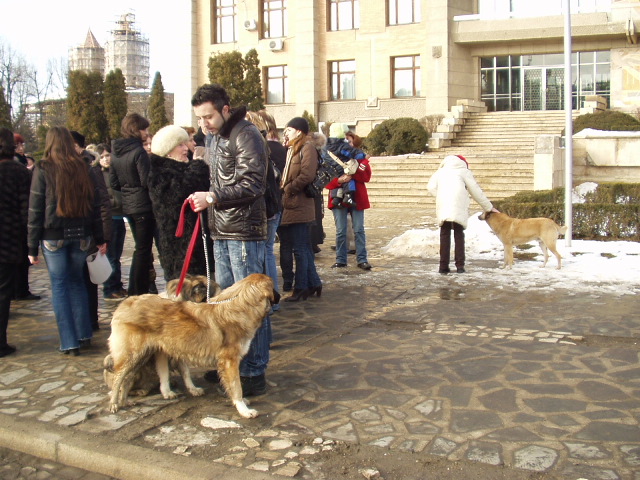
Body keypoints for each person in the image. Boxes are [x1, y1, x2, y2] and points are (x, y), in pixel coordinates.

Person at [189, 83, 271, 396]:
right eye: (199, 118)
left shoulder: (246, 134)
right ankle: (230, 363)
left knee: (250, 306)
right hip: (221, 229)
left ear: (225, 109)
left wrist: (213, 196)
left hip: (243, 233)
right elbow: (218, 178)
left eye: (208, 116)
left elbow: (253, 184)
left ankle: (254, 370)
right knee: (224, 305)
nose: (203, 123)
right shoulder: (216, 135)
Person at [27, 127, 106, 356]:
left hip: (54, 236)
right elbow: (95, 206)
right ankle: (83, 335)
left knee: (60, 286)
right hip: (81, 234)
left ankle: (69, 341)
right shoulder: (84, 167)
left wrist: (31, 246)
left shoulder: (43, 168)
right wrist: (99, 238)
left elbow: (36, 208)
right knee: (76, 283)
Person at [148, 124, 212, 281]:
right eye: (180, 145)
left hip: (195, 240)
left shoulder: (182, 168)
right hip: (178, 243)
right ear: (168, 149)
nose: (186, 148)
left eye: (186, 143)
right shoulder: (160, 172)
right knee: (186, 287)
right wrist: (198, 168)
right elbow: (177, 195)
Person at [110, 113, 156, 296]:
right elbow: (147, 180)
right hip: (143, 205)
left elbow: (114, 183)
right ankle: (136, 290)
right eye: (144, 129)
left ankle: (137, 289)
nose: (146, 133)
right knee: (143, 250)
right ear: (136, 130)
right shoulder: (138, 152)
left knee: (141, 248)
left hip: (128, 205)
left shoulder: (117, 153)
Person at [71, 131, 112, 331]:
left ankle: (91, 321)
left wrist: (102, 236)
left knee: (89, 279)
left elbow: (102, 203)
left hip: (88, 232)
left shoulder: (91, 169)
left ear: (78, 147)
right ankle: (83, 322)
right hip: (73, 232)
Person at [427, 154, 496, 274]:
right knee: (459, 234)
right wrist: (489, 207)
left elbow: (430, 187)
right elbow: (475, 191)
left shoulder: (440, 172)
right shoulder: (463, 171)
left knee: (444, 234)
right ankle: (460, 266)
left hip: (444, 205)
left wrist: (441, 196)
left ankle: (443, 267)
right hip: (458, 205)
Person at [278, 116, 322, 302]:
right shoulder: (291, 149)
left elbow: (307, 175)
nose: (285, 132)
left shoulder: (307, 147)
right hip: (290, 205)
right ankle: (314, 283)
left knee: (301, 249)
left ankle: (301, 287)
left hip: (300, 205)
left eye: (288, 129)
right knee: (301, 248)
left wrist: (288, 188)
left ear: (299, 131)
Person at [245, 110, 283, 307]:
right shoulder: (265, 146)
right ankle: (273, 299)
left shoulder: (256, 147)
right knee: (267, 252)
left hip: (266, 207)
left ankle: (271, 299)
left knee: (264, 253)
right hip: (272, 205)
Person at [0, 128, 31, 357]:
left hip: (8, 239)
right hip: (8, 240)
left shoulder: (17, 171)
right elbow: (25, 210)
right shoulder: (17, 172)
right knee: (2, 293)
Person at [325, 124, 373, 271]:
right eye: (345, 140)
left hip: (357, 196)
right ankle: (341, 259)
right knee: (341, 230)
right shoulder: (331, 157)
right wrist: (338, 180)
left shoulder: (360, 157)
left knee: (358, 229)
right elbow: (326, 179)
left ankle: (362, 259)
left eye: (350, 141)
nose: (347, 144)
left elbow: (366, 176)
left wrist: (352, 171)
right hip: (338, 195)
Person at [96, 143, 128, 299]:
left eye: (107, 155)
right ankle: (110, 288)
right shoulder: (98, 174)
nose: (105, 159)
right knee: (111, 257)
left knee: (116, 256)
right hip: (109, 218)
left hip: (119, 216)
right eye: (101, 156)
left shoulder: (116, 172)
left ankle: (117, 285)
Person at [12, 133, 40, 301]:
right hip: (17, 219)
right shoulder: (15, 165)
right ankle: (19, 289)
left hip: (19, 219)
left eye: (22, 145)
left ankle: (22, 289)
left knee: (22, 258)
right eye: (18, 146)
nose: (22, 148)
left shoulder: (22, 162)